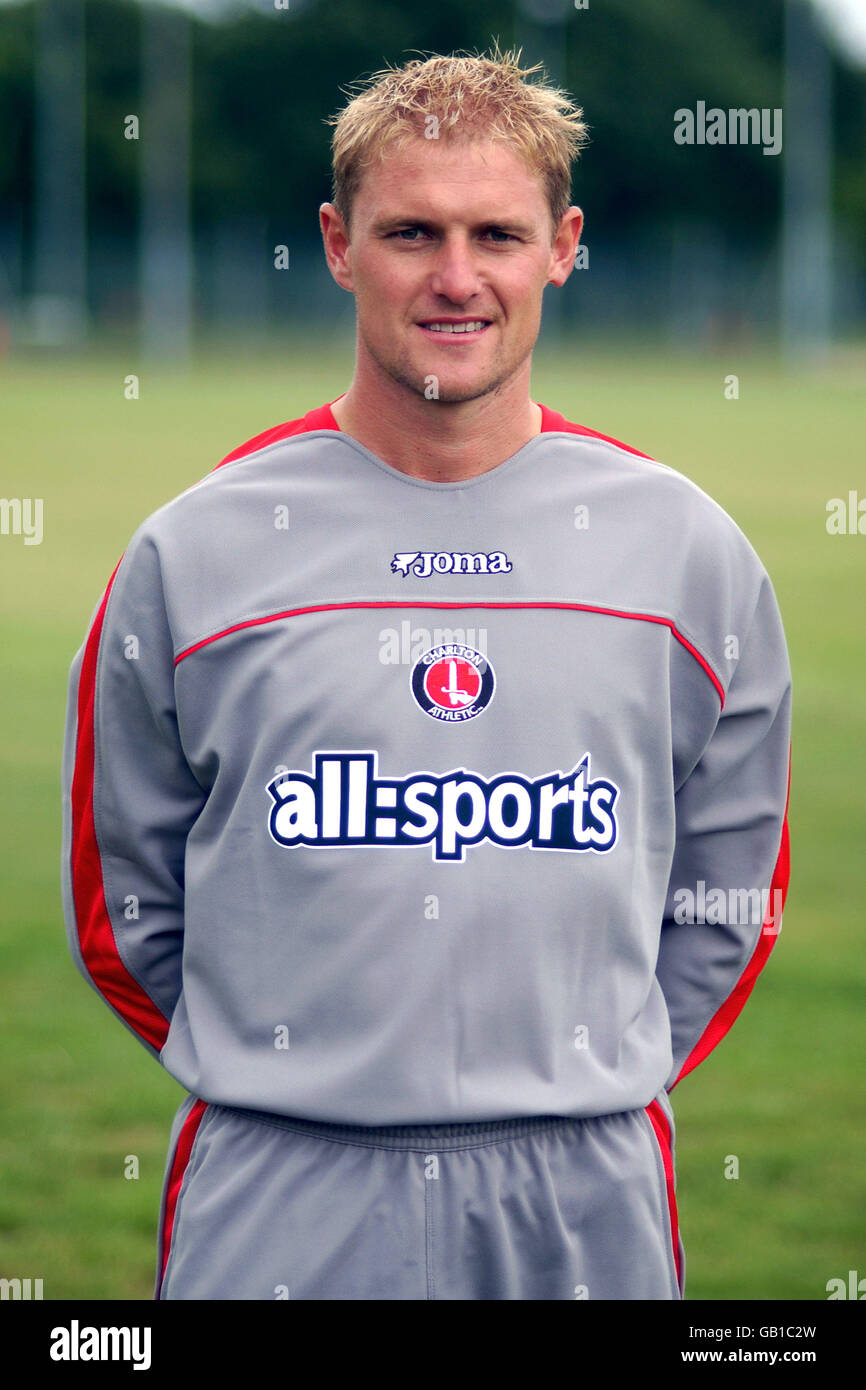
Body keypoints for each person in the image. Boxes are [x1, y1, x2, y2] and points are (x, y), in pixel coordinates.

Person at [61, 47, 791, 1301]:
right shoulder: (199, 548)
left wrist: (569, 1085)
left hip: (581, 1191)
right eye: (411, 232)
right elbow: (121, 899)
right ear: (339, 244)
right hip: (281, 1186)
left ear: (561, 245)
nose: (457, 278)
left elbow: (731, 892)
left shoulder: (685, 552)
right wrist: (301, 1079)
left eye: (495, 233)